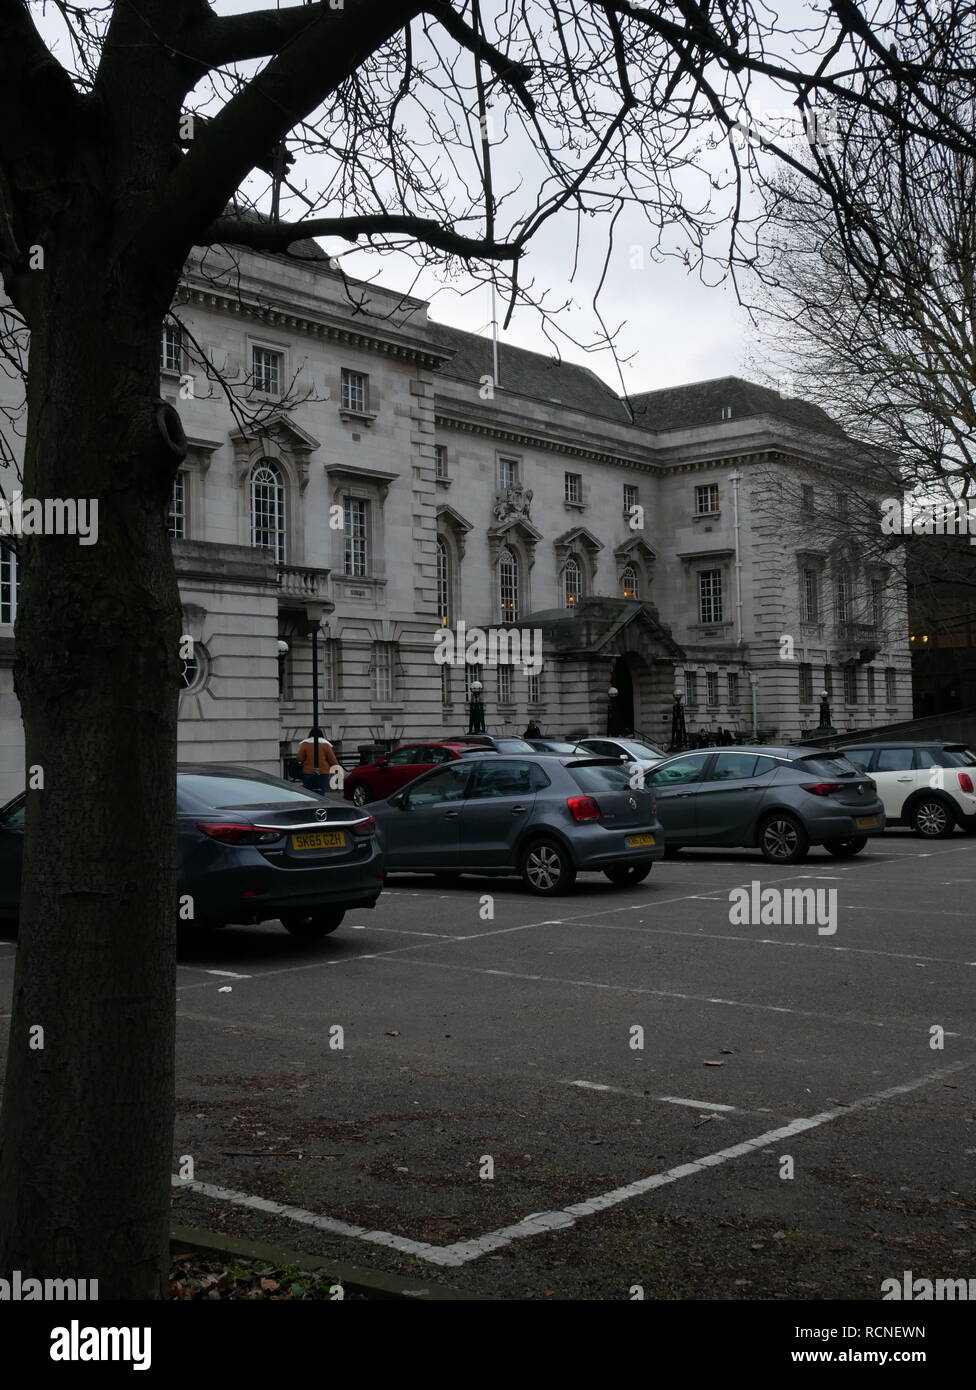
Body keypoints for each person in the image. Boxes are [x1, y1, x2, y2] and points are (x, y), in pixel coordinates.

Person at [296, 727, 339, 794]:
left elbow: (299, 758)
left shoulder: (305, 744)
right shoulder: (325, 744)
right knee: (321, 792)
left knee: (308, 793)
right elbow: (332, 760)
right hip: (323, 772)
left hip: (308, 772)